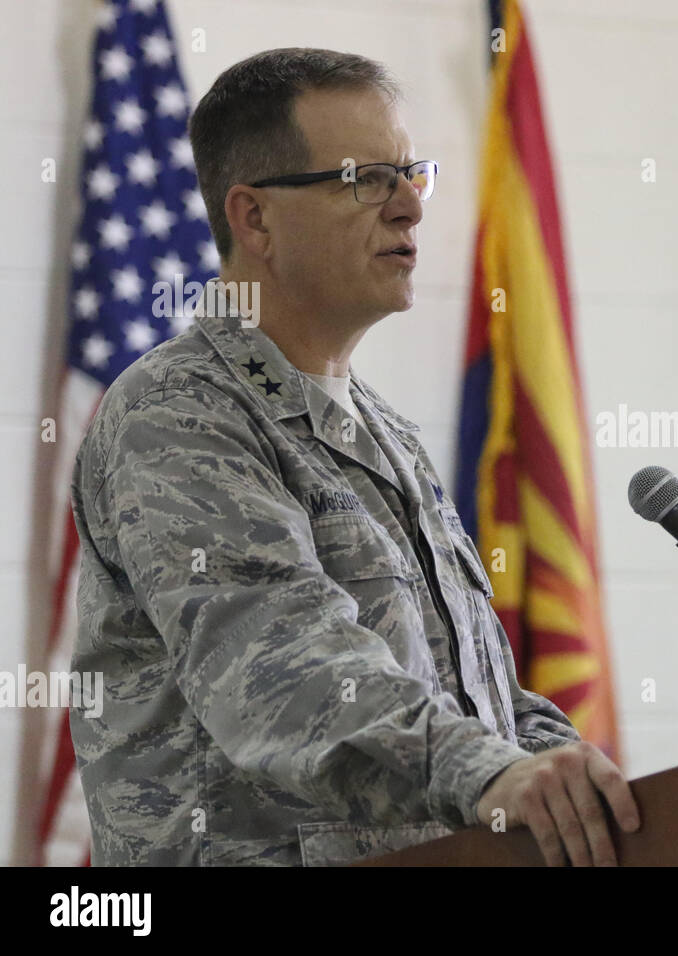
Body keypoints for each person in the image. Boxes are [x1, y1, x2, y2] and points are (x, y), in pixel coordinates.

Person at [69, 47, 638, 867]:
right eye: (365, 179)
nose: (409, 206)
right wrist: (493, 775)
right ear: (254, 217)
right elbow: (284, 671)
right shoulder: (176, 415)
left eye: (412, 174)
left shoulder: (389, 438)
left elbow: (486, 708)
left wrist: (588, 783)